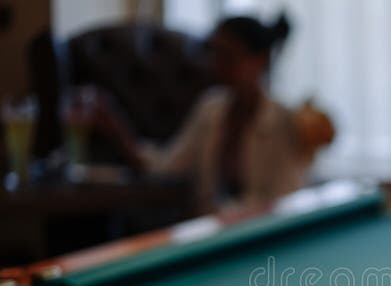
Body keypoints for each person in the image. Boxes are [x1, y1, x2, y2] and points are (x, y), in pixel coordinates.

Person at [96, 14, 335, 214]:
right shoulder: (211, 108)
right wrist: (118, 132)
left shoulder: (287, 122)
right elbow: (168, 165)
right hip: (210, 239)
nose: (217, 66)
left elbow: (285, 203)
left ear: (259, 60)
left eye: (229, 57)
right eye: (214, 54)